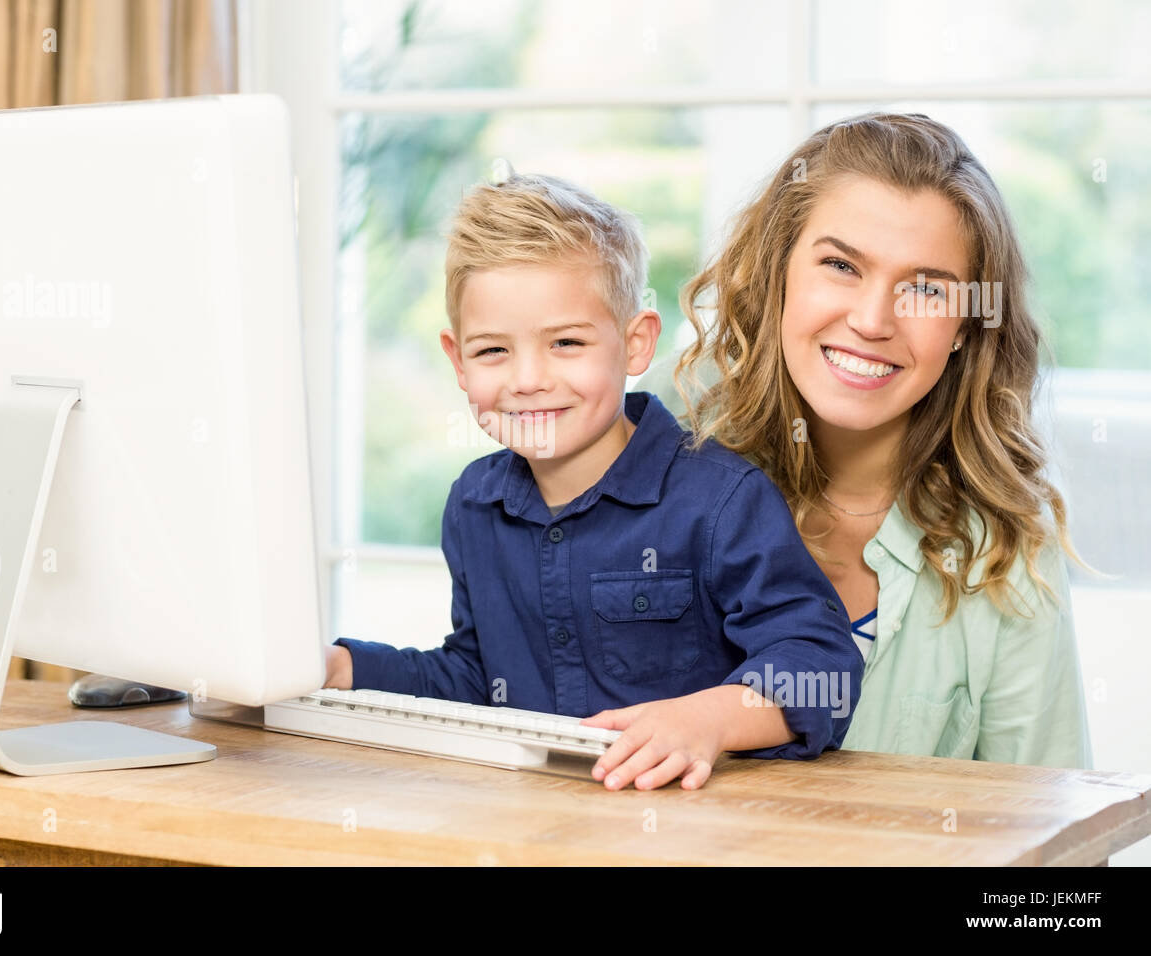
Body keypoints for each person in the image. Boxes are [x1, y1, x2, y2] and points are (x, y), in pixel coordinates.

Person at [324, 171, 863, 790]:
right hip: (539, 829)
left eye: (566, 342)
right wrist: (341, 667)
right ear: (457, 360)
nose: (528, 379)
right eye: (493, 351)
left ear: (636, 345)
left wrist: (705, 720)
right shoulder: (474, 505)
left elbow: (825, 668)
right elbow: (476, 678)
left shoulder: (720, 501)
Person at [673, 112, 1091, 767]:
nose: (872, 321)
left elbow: (1053, 837)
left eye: (926, 288)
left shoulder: (1005, 549)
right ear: (780, 272)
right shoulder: (668, 490)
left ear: (964, 325)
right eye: (841, 265)